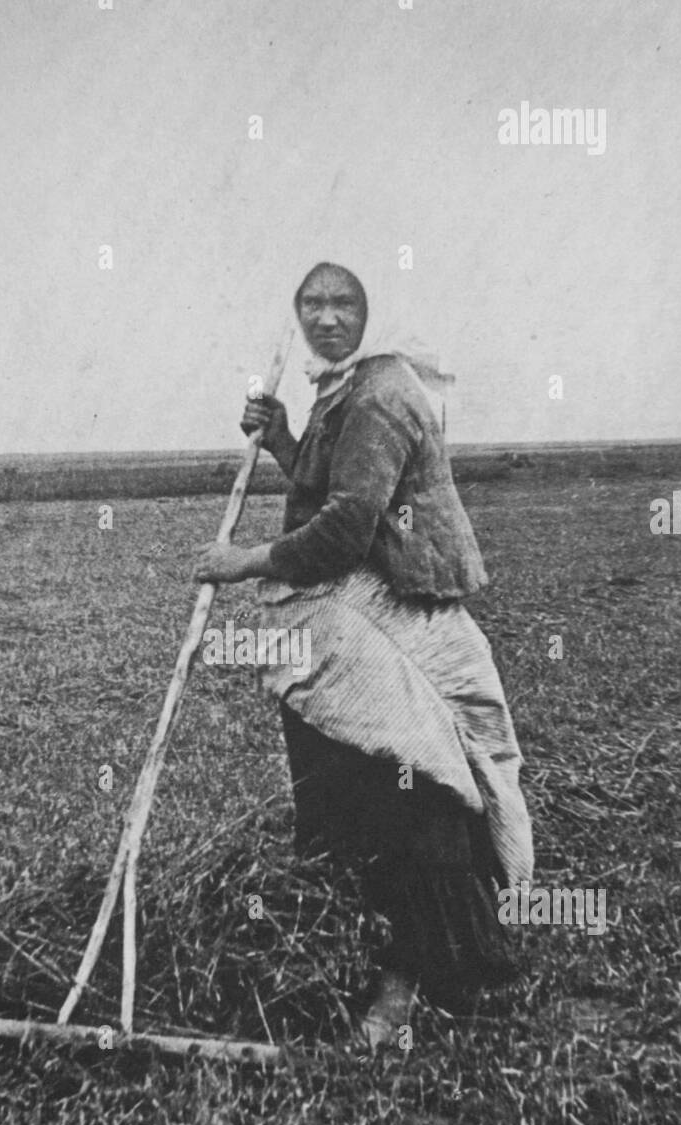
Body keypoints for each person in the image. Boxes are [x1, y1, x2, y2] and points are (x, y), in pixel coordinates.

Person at [194, 262, 533, 1047]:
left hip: (398, 616)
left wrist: (241, 560)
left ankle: (410, 979)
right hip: (351, 610)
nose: (326, 317)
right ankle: (376, 954)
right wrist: (283, 437)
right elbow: (327, 488)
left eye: (344, 302)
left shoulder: (380, 393)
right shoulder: (345, 386)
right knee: (353, 779)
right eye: (310, 303)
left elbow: (347, 526)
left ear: (371, 311)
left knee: (412, 783)